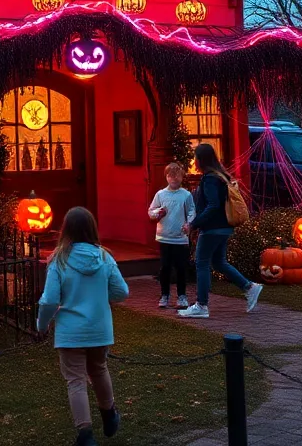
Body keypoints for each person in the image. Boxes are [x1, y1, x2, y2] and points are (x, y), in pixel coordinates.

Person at [37, 206, 129, 446]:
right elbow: (121, 291)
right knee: (99, 369)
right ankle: (109, 414)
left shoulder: (59, 259)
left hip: (71, 331)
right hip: (99, 328)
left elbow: (49, 300)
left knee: (75, 380)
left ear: (66, 229)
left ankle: (86, 434)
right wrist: (100, 293)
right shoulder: (104, 257)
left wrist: (42, 324)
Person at [178, 143, 262, 319]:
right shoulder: (221, 176)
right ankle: (249, 287)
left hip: (212, 229)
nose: (195, 161)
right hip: (225, 227)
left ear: (201, 160)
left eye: (196, 158)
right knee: (218, 263)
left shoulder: (209, 178)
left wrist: (194, 224)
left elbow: (213, 205)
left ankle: (201, 305)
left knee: (201, 263)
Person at [148, 162, 195, 308]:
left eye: (177, 176)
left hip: (180, 238)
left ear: (182, 177)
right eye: (170, 176)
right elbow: (151, 211)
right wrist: (158, 213)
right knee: (165, 267)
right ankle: (164, 295)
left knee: (181, 267)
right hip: (164, 237)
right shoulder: (161, 194)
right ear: (166, 177)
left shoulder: (186, 195)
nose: (173, 179)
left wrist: (189, 224)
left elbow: (192, 211)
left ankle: (181, 296)